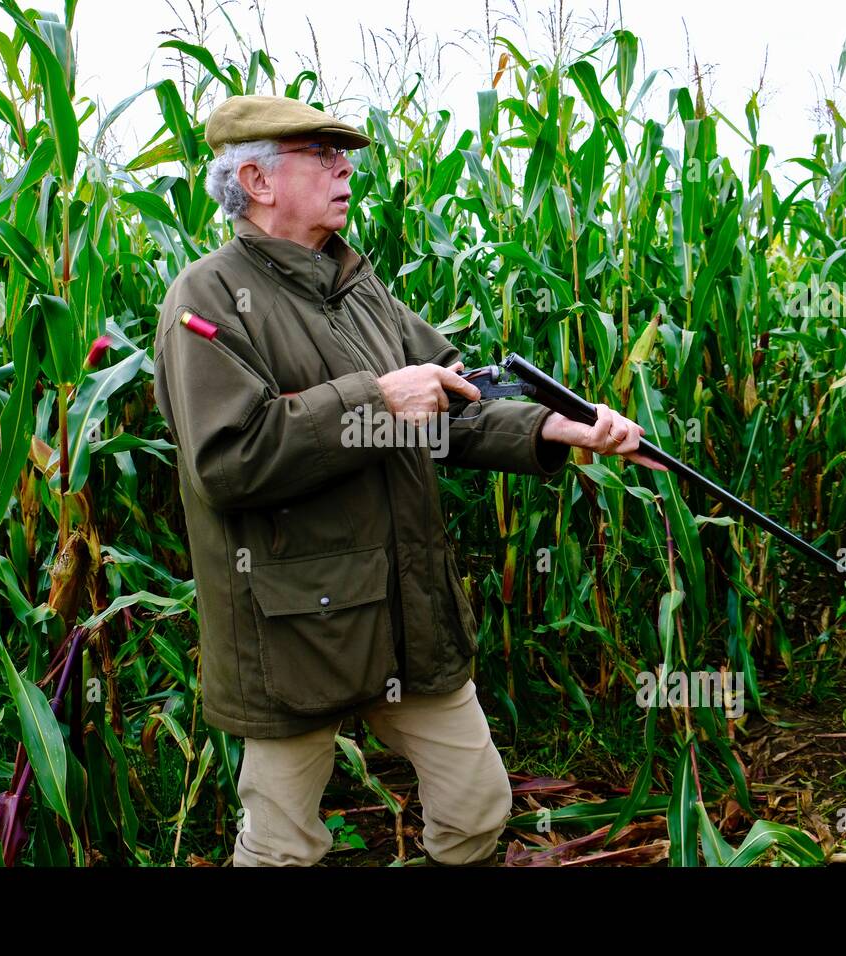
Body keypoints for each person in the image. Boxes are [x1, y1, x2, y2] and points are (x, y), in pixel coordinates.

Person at [152, 94, 666, 867]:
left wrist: (553, 426)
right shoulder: (209, 298)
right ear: (256, 181)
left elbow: (451, 402)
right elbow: (230, 460)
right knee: (282, 847)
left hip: (407, 614)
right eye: (321, 156)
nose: (345, 169)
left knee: (477, 808)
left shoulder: (359, 286)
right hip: (295, 632)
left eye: (343, 155)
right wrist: (377, 398)